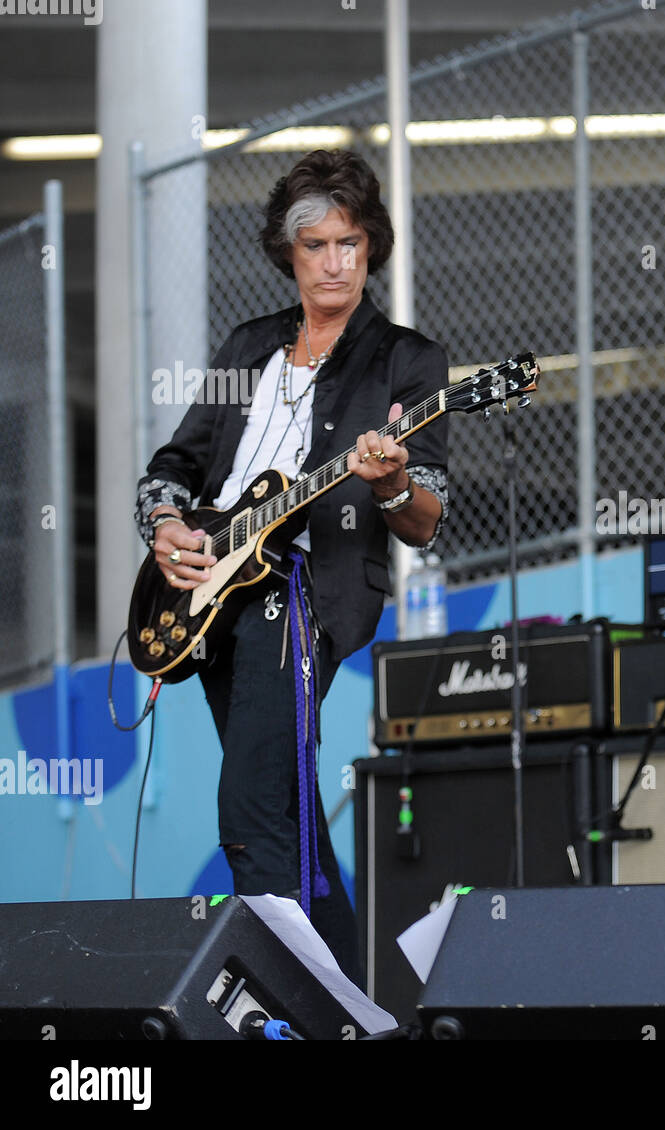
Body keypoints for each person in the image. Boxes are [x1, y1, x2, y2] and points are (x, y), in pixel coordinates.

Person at [135, 149, 449, 983]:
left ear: (371, 248)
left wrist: (390, 485)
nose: (335, 262)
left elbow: (425, 521)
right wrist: (165, 522)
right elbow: (171, 467)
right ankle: (363, 1009)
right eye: (316, 246)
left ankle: (285, 1004)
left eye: (350, 242)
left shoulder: (405, 361)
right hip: (210, 598)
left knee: (249, 812)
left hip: (300, 593)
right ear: (289, 253)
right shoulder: (250, 345)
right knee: (291, 814)